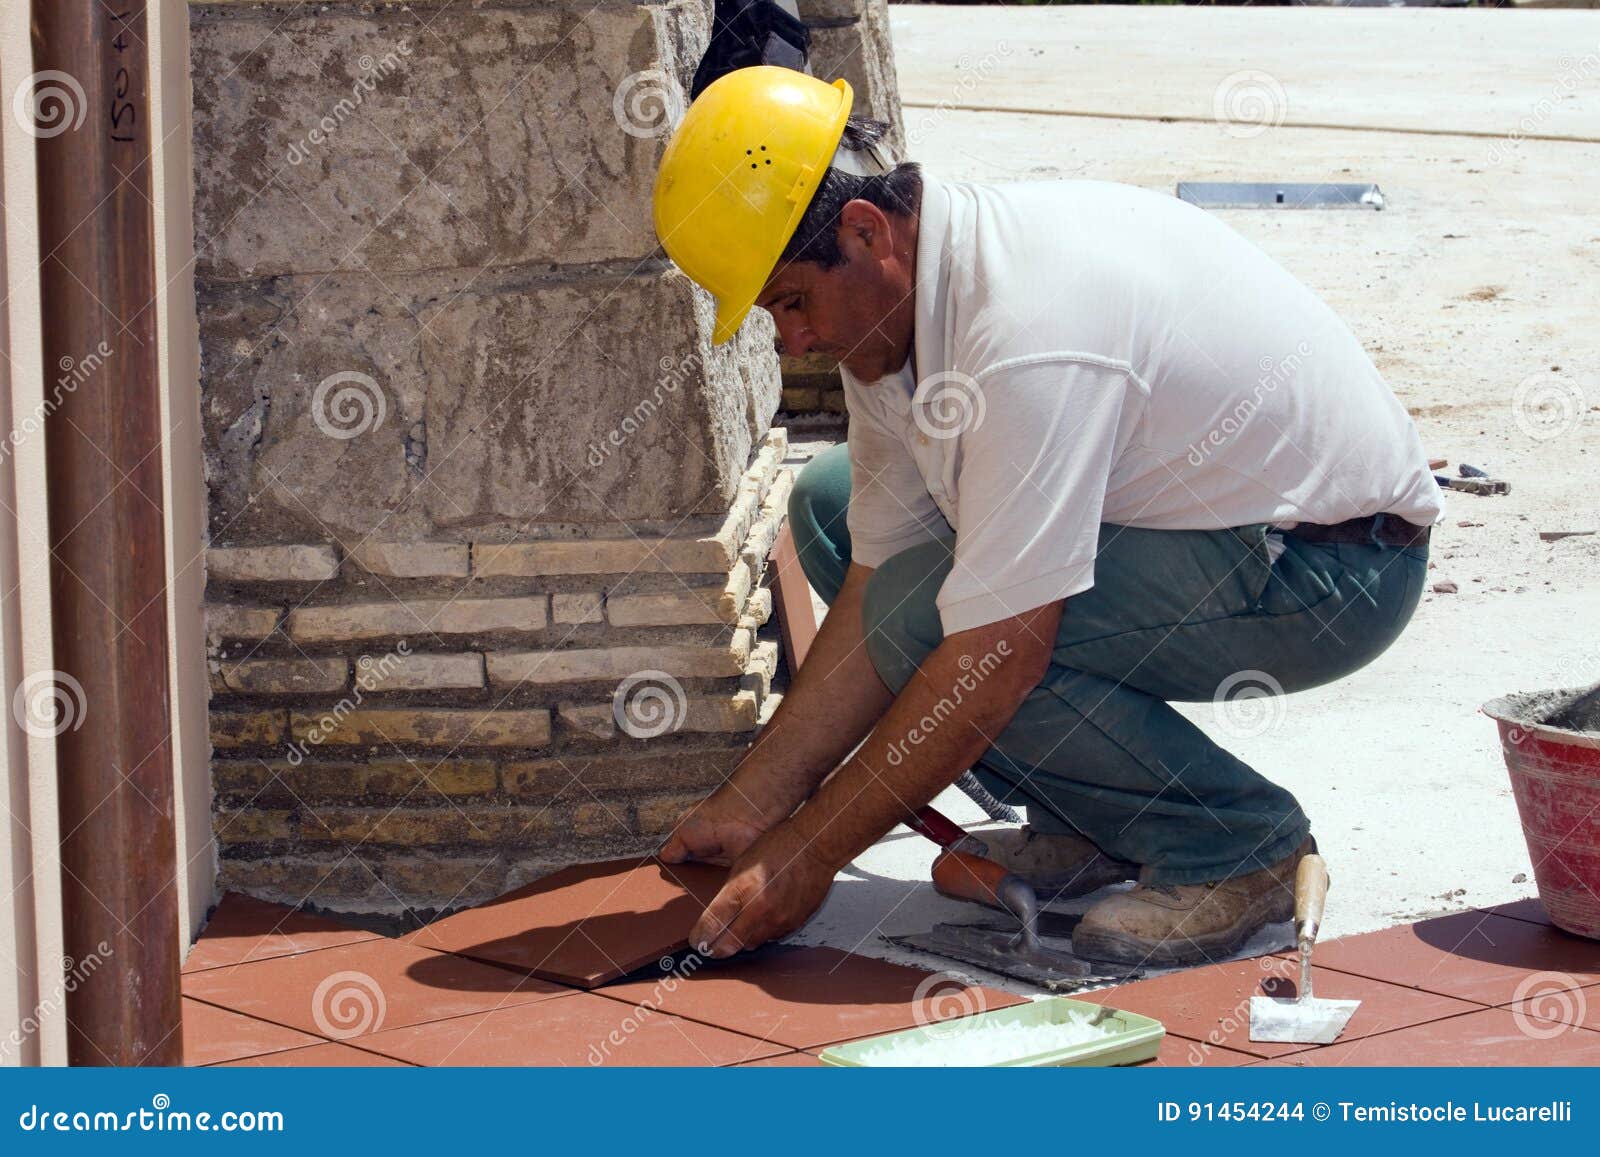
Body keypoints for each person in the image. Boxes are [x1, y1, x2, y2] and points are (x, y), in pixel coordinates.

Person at [650, 66, 1440, 967]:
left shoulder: (1024, 329)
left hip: (1330, 565)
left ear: (867, 233)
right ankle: (1092, 817)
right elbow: (873, 568)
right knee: (832, 513)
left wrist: (811, 851)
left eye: (793, 301)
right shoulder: (897, 307)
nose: (792, 341)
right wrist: (757, 800)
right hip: (1210, 524)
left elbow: (995, 652)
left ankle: (1235, 843)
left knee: (936, 618)